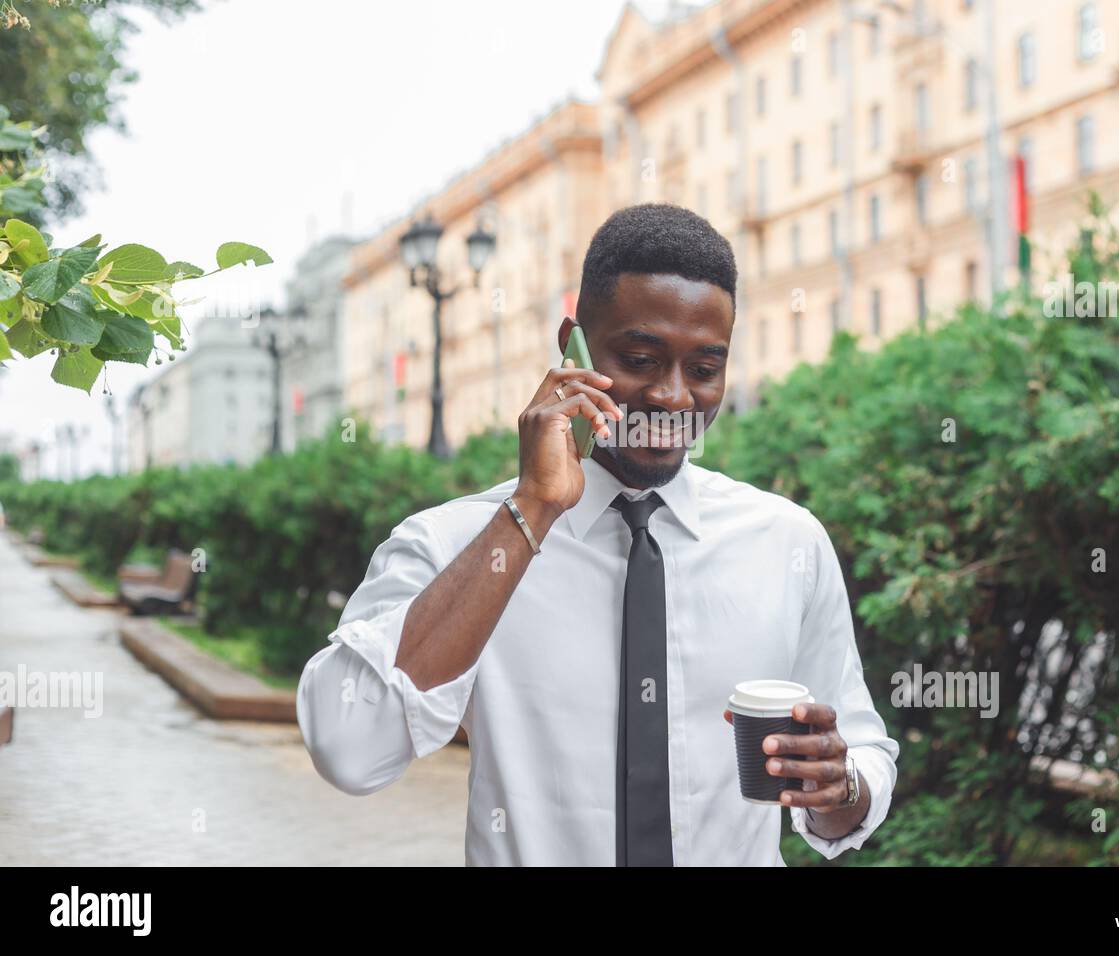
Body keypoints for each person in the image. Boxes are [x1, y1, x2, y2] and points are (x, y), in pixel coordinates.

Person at [297, 202, 899, 866]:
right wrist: (531, 509)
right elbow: (348, 747)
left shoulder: (787, 542)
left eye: (704, 368)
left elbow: (864, 751)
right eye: (641, 358)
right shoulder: (459, 544)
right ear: (572, 347)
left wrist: (840, 786)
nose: (673, 397)